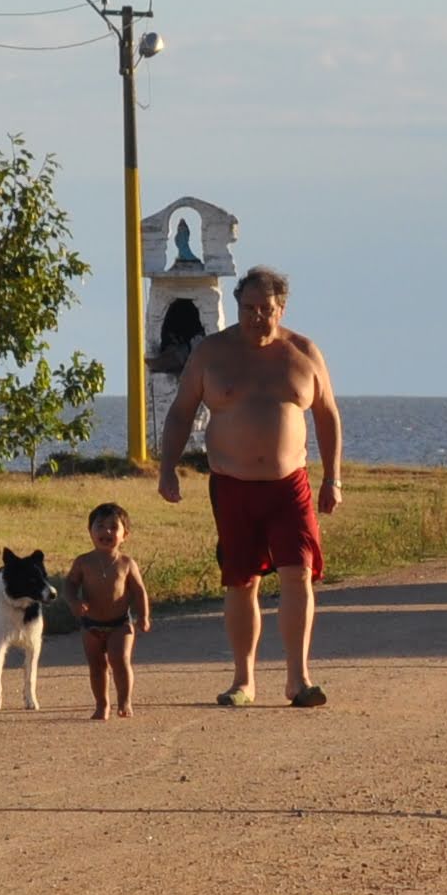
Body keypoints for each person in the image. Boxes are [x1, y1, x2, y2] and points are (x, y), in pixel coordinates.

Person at [160, 264, 344, 705]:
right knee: (241, 581)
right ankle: (244, 680)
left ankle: (298, 679)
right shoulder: (211, 352)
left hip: (290, 485)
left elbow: (326, 415)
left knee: (297, 574)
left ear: (281, 308)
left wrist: (333, 478)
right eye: (248, 308)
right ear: (237, 306)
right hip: (233, 484)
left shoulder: (303, 352)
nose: (256, 317)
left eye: (265, 309)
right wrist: (167, 468)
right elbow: (181, 411)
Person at [65, 500, 153, 719]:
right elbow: (69, 585)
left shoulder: (126, 563)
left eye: (114, 527)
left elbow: (139, 591)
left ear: (125, 535)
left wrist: (143, 616)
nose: (107, 531)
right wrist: (74, 602)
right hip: (90, 624)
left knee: (120, 660)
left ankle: (124, 701)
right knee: (96, 666)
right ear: (90, 531)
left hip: (120, 624)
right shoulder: (83, 562)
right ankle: (102, 704)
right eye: (100, 526)